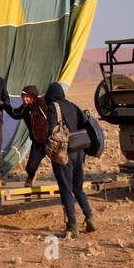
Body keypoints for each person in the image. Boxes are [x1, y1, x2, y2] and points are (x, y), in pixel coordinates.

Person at [43, 82, 97, 239]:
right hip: (79, 150)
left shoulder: (54, 107)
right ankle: (90, 219)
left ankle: (72, 226)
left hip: (64, 153)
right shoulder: (72, 105)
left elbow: (53, 130)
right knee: (78, 187)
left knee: (66, 188)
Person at [3, 85, 49, 186]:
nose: (24, 99)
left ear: (33, 96)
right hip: (38, 144)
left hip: (50, 141)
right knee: (30, 167)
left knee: (59, 163)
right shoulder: (25, 108)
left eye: (26, 96)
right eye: (23, 96)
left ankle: (67, 182)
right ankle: (31, 176)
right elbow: (15, 114)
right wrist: (4, 105)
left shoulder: (42, 104)